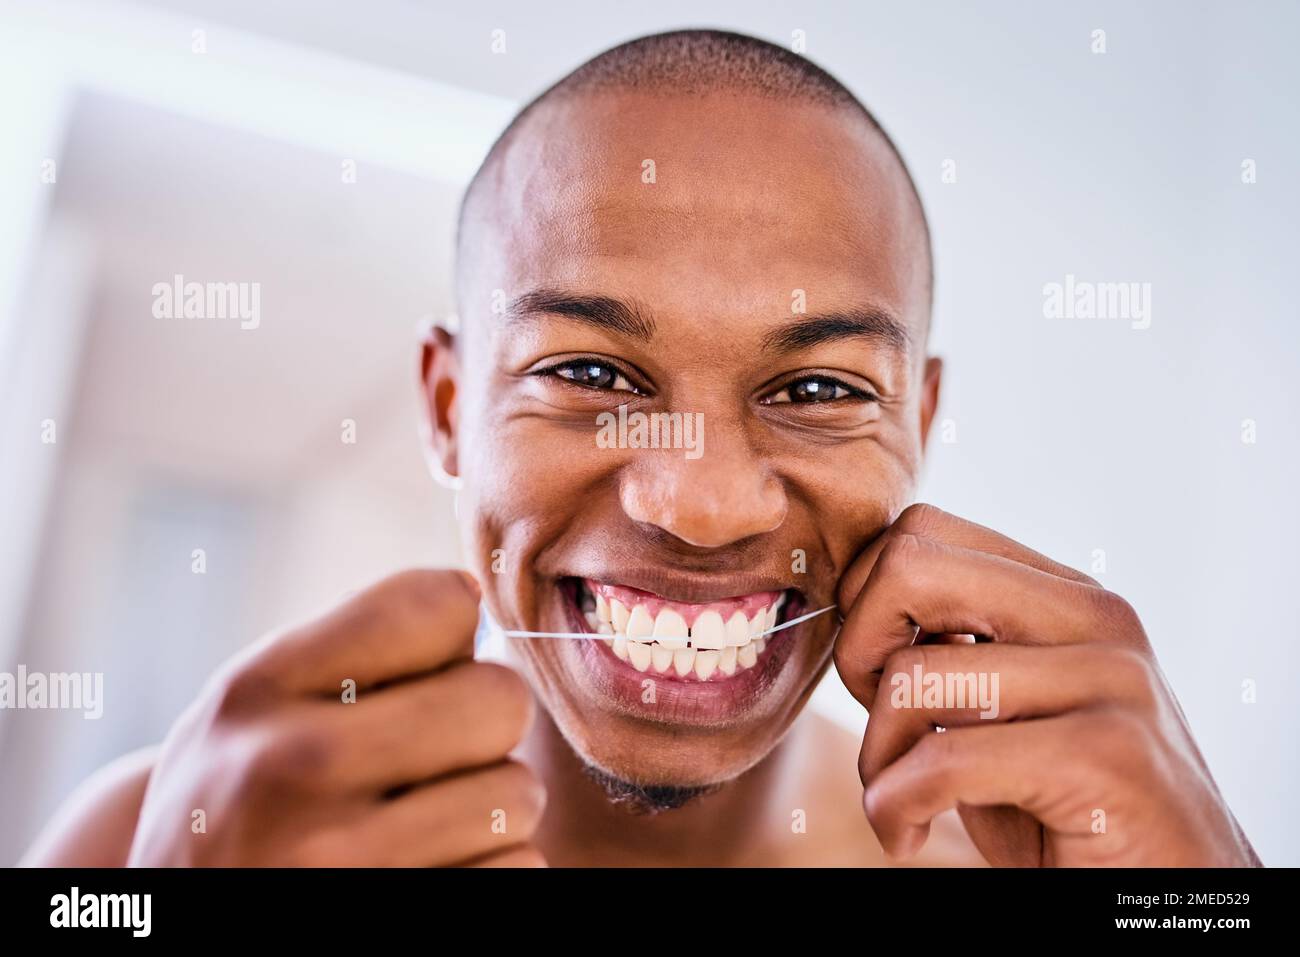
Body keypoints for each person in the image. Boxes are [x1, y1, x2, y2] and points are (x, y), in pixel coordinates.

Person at [22, 29, 1258, 868]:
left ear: (917, 429)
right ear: (450, 408)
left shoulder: (1037, 863)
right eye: (591, 373)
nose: (705, 503)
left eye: (816, 387)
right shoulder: (156, 842)